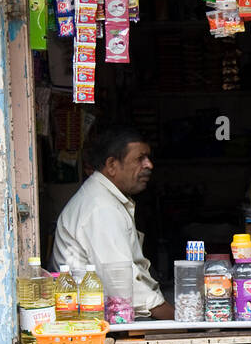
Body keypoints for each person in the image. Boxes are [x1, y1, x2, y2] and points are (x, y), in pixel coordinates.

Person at [52, 126, 174, 319]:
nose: (149, 164)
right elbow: (122, 283)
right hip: (101, 319)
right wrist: (178, 321)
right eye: (139, 158)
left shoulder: (105, 199)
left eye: (148, 158)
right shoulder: (100, 208)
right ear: (111, 165)